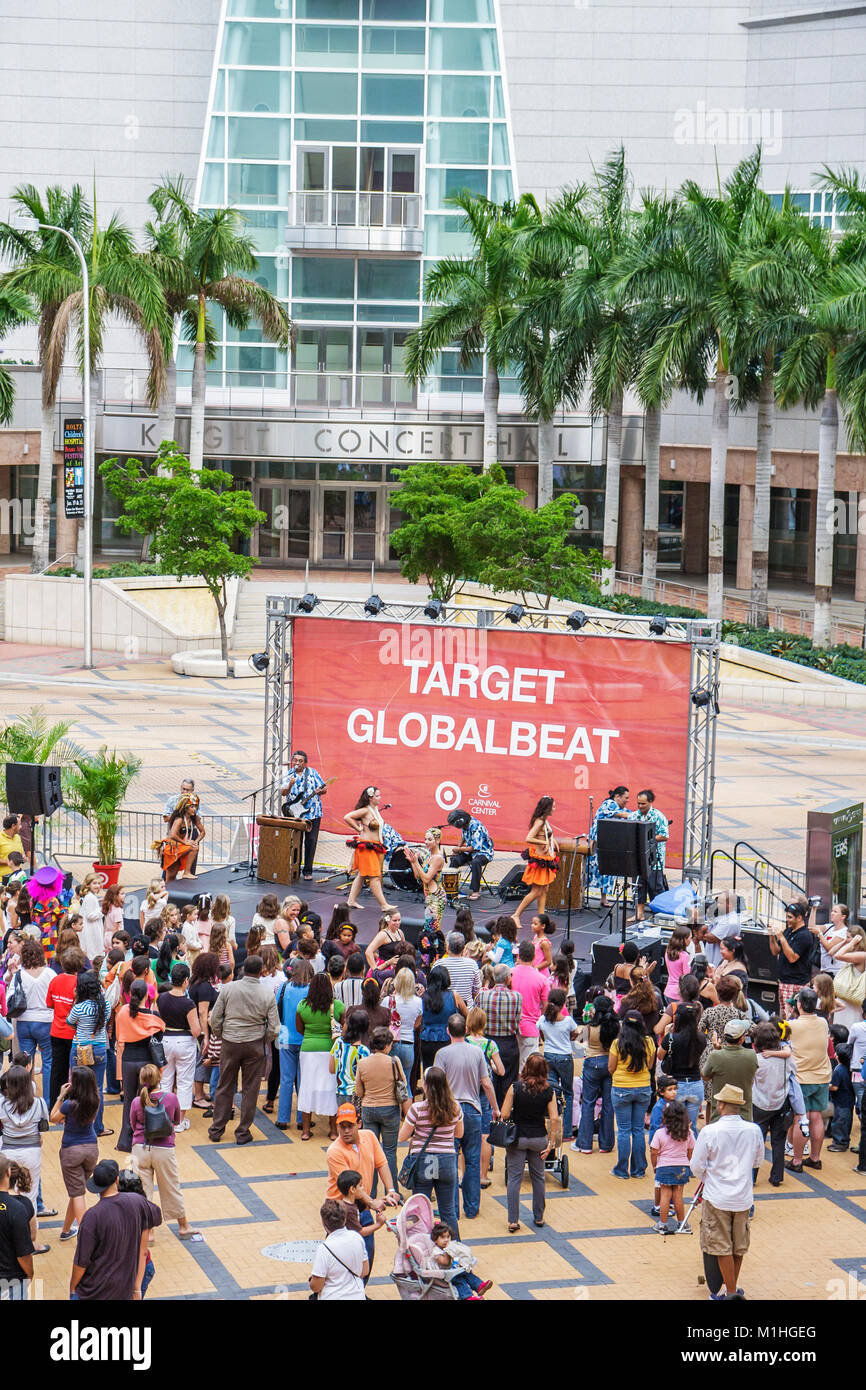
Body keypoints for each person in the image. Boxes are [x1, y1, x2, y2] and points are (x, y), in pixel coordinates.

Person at [690, 1083, 765, 1301]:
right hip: (743, 1196)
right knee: (739, 1246)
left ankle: (729, 1292)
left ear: (721, 1105)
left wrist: (708, 1178)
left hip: (717, 1196)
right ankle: (730, 1288)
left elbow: (696, 1165)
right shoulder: (753, 1130)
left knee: (721, 1245)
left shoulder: (709, 1131)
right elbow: (757, 1160)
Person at [207, 955, 279, 1146]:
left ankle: (217, 1129)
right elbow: (274, 1027)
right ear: (261, 970)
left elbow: (214, 1019)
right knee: (250, 1089)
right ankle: (243, 1131)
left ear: (243, 969)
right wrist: (264, 1039)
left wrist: (222, 1034)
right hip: (255, 1044)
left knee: (224, 1085)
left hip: (230, 1042)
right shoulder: (267, 993)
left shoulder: (228, 988)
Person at [434, 1013, 499, 1224]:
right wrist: (495, 1108)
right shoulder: (477, 1052)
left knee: (450, 1160)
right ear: (466, 1030)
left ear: (448, 1031)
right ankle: (471, 1208)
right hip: (473, 1111)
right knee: (473, 1159)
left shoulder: (442, 1054)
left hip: (449, 1111)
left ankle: (451, 1209)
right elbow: (486, 1083)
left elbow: (436, 1085)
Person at [70, 1158, 162, 1301]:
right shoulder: (136, 1201)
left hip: (95, 1290)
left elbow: (82, 1261)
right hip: (125, 1286)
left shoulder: (92, 1216)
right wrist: (136, 1288)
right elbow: (155, 1215)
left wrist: (73, 1288)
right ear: (117, 1180)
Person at [129, 1063, 199, 1239]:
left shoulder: (137, 1101)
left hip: (140, 1148)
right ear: (159, 1078)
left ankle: (148, 1232)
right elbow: (176, 1121)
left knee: (143, 1191)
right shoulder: (171, 1098)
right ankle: (183, 1226)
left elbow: (132, 1124)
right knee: (171, 1187)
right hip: (164, 1149)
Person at [398, 1067, 464, 1235]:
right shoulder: (455, 1107)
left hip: (423, 1160)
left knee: (420, 1210)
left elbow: (402, 1136)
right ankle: (453, 1249)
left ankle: (422, 1249)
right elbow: (459, 1133)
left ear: (426, 1086)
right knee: (448, 1210)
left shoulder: (417, 1109)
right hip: (447, 1160)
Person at [500, 1052, 559, 1233]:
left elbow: (504, 1114)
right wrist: (551, 1143)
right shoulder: (549, 1091)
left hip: (518, 1138)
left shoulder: (515, 1088)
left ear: (526, 1068)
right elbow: (554, 1118)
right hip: (539, 1138)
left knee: (515, 1178)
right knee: (538, 1177)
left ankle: (513, 1220)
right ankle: (539, 1217)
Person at [0, 1064, 49, 1251]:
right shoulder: (39, 1103)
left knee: (6, 1193)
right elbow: (43, 1128)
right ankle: (31, 1242)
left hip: (8, 1153)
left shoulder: (2, 1104)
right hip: (32, 1153)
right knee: (30, 1195)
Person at [50, 1065, 101, 1243]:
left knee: (77, 1193)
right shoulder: (96, 1099)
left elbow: (53, 1117)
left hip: (72, 1149)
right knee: (77, 1191)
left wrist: (60, 1096)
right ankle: (66, 1230)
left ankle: (87, 1234)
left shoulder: (69, 1104)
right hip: (91, 1149)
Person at [115, 980, 166, 1154]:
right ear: (147, 995)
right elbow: (159, 1038)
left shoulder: (122, 1012)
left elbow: (118, 1035)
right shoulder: (153, 1017)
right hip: (146, 1063)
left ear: (129, 993)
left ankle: (125, 1141)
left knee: (129, 1100)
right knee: (146, 1099)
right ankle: (146, 1137)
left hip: (128, 1061)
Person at [354, 1027, 407, 1191]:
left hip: (369, 1109)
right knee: (389, 1151)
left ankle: (371, 1189)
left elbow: (359, 1092)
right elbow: (403, 1083)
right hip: (390, 1109)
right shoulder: (394, 1061)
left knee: (371, 1152)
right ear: (386, 1046)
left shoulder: (362, 1063)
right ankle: (392, 1191)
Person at [786, 986, 832, 1172]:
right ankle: (815, 1158)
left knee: (801, 1119)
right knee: (816, 1117)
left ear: (799, 1004)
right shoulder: (823, 1022)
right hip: (821, 1077)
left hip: (801, 1079)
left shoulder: (792, 1025)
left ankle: (797, 1160)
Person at [295, 970, 344, 1141]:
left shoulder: (302, 1005)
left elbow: (299, 1028)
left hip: (308, 1049)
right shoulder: (337, 1005)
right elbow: (343, 1028)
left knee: (307, 1086)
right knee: (330, 1087)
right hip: (330, 1050)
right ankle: (332, 1130)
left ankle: (306, 1131)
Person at [608, 1011, 656, 1179]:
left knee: (623, 1131)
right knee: (638, 1130)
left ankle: (622, 1170)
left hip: (621, 1089)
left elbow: (611, 1068)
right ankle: (638, 1170)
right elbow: (650, 1065)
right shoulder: (649, 1042)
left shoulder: (617, 1043)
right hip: (643, 1088)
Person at [326, 1102, 400, 1209]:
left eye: (350, 1126)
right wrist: (371, 1202)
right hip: (340, 1208)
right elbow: (350, 1185)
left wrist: (391, 1190)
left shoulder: (369, 1136)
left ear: (359, 1124)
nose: (346, 1131)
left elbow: (381, 1164)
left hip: (363, 1203)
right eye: (342, 1127)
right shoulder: (334, 1151)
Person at [156, 962, 202, 1133]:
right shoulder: (188, 1004)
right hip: (184, 1043)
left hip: (165, 1041)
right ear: (185, 981)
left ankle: (164, 1118)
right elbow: (196, 1031)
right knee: (184, 1081)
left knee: (165, 1080)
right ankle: (180, 1121)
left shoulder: (161, 998)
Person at [67, 969, 112, 1137]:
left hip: (80, 1048)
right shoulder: (105, 1005)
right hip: (100, 1047)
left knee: (77, 1086)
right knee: (97, 1088)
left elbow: (70, 1022)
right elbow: (106, 1021)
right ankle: (98, 1127)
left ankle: (77, 1124)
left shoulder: (79, 1007)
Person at [9, 937, 53, 1101]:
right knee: (48, 1062)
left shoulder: (19, 974)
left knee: (25, 1062)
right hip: (46, 1021)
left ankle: (25, 1100)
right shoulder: (50, 974)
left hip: (24, 1021)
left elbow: (10, 997)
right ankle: (48, 1101)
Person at [574, 995, 618, 1155]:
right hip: (610, 1064)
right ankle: (606, 1144)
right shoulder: (615, 1026)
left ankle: (584, 1143)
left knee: (588, 1102)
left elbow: (579, 1040)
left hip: (592, 1063)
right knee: (608, 1104)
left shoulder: (590, 1027)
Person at [750, 1021, 792, 1187]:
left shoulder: (757, 1060)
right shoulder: (786, 1059)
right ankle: (777, 1176)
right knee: (778, 1141)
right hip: (781, 1103)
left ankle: (752, 1176)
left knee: (756, 1141)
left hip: (760, 1104)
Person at [45, 946, 86, 1111]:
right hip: (74, 1033)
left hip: (56, 1031)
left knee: (57, 1069)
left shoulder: (55, 980)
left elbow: (49, 1004)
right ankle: (73, 1107)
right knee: (75, 1071)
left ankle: (54, 1107)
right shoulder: (79, 983)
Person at [513, 796, 562, 928]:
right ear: (546, 808)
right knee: (536, 891)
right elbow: (529, 838)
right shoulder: (540, 822)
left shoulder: (545, 821)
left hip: (546, 859)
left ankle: (542, 919)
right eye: (553, 806)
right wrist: (544, 842)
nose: (554, 809)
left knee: (544, 889)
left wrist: (553, 841)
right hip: (540, 861)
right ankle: (516, 915)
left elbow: (547, 835)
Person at [275, 958, 313, 1130]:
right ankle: (301, 1119)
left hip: (284, 1038)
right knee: (304, 1081)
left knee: (286, 1079)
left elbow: (275, 1010)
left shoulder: (283, 988)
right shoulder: (312, 990)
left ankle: (283, 1118)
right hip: (306, 1038)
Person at [649, 1097, 696, 1233]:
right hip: (682, 1167)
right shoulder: (687, 1133)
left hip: (664, 1166)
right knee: (678, 1195)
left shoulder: (660, 1133)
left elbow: (654, 1151)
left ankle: (662, 1224)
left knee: (665, 1195)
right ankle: (683, 1224)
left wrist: (655, 1165)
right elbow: (691, 1149)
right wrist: (687, 1161)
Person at [478, 964, 522, 1106]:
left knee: (489, 1081)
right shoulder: (516, 997)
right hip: (509, 1043)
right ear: (508, 978)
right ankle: (505, 1117)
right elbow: (517, 1020)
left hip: (488, 1042)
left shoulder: (483, 996)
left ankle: (491, 1114)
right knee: (509, 1083)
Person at [344, 787, 393, 913]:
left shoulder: (375, 810)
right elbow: (347, 817)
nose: (380, 798)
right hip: (367, 847)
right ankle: (384, 905)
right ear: (370, 797)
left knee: (362, 875)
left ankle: (351, 900)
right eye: (377, 796)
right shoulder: (365, 810)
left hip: (376, 846)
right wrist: (358, 829)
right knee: (374, 877)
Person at [658, 1000, 704, 1135]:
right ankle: (692, 1154)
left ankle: (676, 1155)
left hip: (676, 1086)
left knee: (674, 1126)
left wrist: (667, 1035)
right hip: (696, 1084)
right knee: (692, 1125)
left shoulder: (671, 1038)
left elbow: (660, 1056)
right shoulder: (701, 1037)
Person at [280, 749, 327, 881]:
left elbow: (324, 789)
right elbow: (283, 793)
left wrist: (320, 791)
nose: (297, 763)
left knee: (311, 842)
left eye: (300, 761)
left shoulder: (312, 773)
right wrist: (290, 785)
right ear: (292, 761)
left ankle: (307, 870)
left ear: (305, 763)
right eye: (295, 760)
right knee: (296, 842)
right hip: (295, 815)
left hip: (313, 813)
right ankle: (295, 869)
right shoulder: (288, 775)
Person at [309, 1198, 368, 1301]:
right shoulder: (357, 1238)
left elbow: (316, 1286)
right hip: (357, 1296)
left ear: (323, 1223)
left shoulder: (324, 1249)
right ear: (344, 1219)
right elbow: (364, 1271)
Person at [538, 988, 578, 1139]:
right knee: (567, 1093)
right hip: (565, 1058)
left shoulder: (543, 1020)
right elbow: (574, 1034)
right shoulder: (568, 1021)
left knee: (550, 1092)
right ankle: (566, 1132)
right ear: (563, 1005)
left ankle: (550, 1130)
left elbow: (541, 1032)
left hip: (548, 1056)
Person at [702, 1017, 759, 1122]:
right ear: (742, 1039)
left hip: (719, 1115)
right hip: (744, 1115)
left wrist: (717, 1051)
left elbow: (705, 1077)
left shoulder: (715, 1056)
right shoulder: (751, 1055)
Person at [627, 789, 669, 922]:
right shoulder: (633, 816)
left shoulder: (659, 816)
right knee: (639, 886)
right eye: (638, 803)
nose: (640, 806)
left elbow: (664, 835)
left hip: (654, 860)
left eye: (643, 804)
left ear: (651, 802)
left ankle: (660, 915)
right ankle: (639, 913)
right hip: (638, 859)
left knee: (655, 887)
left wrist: (647, 839)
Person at [769, 901, 815, 1012]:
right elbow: (776, 951)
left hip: (795, 984)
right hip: (783, 981)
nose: (787, 920)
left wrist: (781, 938)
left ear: (799, 918)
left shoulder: (804, 935)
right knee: (783, 1017)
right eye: (786, 917)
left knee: (792, 1017)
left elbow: (792, 958)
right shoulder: (789, 931)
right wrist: (771, 936)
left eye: (790, 917)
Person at [0, 1152, 34, 1299]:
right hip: (10, 1282)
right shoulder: (17, 1209)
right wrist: (30, 1273)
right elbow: (23, 1253)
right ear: (8, 1172)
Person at [189, 951, 220, 1112]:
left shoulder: (195, 984)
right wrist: (206, 1035)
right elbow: (203, 1011)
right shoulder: (205, 987)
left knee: (201, 1061)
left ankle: (200, 1093)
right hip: (203, 1030)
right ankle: (199, 1096)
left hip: (200, 1029)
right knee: (202, 1061)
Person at [512, 939, 551, 1067]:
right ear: (534, 956)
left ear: (518, 956)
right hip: (531, 1029)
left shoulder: (509, 974)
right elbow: (546, 1006)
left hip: (510, 1028)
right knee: (529, 1069)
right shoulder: (542, 979)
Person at [588, 787, 630, 905]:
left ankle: (603, 898)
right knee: (592, 870)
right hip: (598, 844)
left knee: (607, 871)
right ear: (617, 796)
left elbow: (629, 813)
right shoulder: (609, 804)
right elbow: (622, 814)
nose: (627, 800)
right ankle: (581, 896)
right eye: (626, 798)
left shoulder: (619, 806)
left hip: (608, 844)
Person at [430, 1221, 493, 1299]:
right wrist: (448, 1251)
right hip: (445, 1275)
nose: (446, 1240)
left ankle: (479, 1286)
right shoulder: (436, 1251)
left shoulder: (450, 1246)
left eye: (448, 1237)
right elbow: (445, 1262)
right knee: (459, 1281)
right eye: (442, 1237)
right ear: (435, 1239)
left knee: (467, 1273)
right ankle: (468, 1296)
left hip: (454, 1270)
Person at [420, 966, 465, 1071]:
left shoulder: (423, 997)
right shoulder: (454, 996)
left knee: (429, 1072)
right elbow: (467, 1014)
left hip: (427, 1039)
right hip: (448, 1038)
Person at [824, 921, 866, 1030]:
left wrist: (850, 943)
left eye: (848, 937)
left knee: (848, 1029)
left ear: (857, 939)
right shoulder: (850, 949)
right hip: (845, 998)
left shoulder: (862, 955)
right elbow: (831, 952)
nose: (846, 939)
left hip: (853, 999)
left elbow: (838, 955)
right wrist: (845, 942)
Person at [446, 809, 494, 901]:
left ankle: (475, 891)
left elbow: (475, 848)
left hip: (484, 852)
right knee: (455, 859)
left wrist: (459, 849)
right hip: (471, 851)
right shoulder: (465, 824)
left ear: (460, 821)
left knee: (476, 862)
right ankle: (451, 886)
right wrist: (457, 849)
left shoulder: (476, 826)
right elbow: (463, 836)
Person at [330, 1010, 370, 1114]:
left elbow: (331, 1069)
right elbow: (366, 1077)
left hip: (339, 1092)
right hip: (356, 1095)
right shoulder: (363, 1051)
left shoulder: (338, 1043)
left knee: (343, 1125)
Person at [389, 965, 423, 1083]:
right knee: (406, 1083)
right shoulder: (418, 1002)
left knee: (391, 1083)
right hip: (409, 1044)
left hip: (392, 1044)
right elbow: (417, 1023)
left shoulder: (388, 1000)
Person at [440, 931, 480, 1006]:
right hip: (467, 1009)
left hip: (445, 1008)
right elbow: (477, 990)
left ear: (447, 947)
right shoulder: (472, 964)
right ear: (463, 948)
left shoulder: (439, 964)